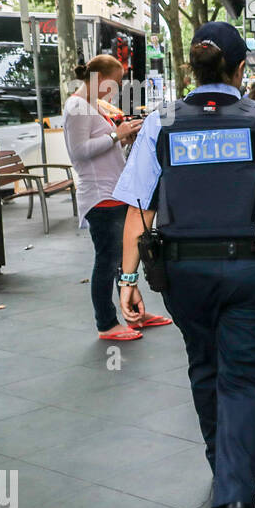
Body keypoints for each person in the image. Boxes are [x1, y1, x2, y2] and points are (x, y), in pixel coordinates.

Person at [112, 22, 255, 508]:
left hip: (183, 274)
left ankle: (222, 467)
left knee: (206, 364)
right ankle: (238, 492)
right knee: (245, 378)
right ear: (240, 68)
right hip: (254, 272)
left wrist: (127, 279)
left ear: (193, 68)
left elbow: (138, 210)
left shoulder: (161, 123)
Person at [62, 55, 170, 341]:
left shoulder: (91, 106)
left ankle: (134, 312)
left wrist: (122, 138)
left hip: (113, 193)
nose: (118, 88)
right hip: (100, 197)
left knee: (124, 261)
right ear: (101, 79)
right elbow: (79, 153)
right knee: (107, 261)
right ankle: (106, 324)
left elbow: (100, 148)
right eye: (116, 82)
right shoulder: (77, 107)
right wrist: (115, 135)